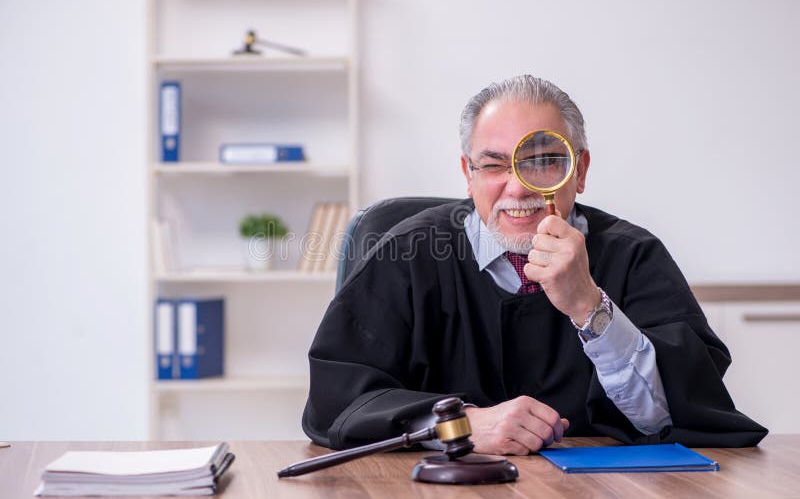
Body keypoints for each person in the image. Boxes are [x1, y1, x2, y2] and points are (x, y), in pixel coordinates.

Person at [302, 75, 767, 454]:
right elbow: (339, 402)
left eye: (542, 161)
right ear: (468, 175)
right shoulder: (407, 253)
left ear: (579, 171)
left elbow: (676, 414)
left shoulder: (633, 256)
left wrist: (590, 306)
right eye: (494, 165)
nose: (518, 188)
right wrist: (460, 426)